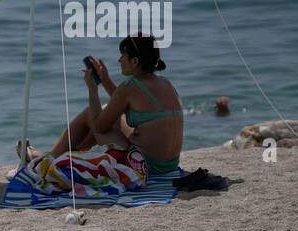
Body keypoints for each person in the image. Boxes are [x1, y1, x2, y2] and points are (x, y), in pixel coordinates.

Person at [18, 34, 183, 177]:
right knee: (105, 110)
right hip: (168, 166)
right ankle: (67, 153)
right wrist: (105, 80)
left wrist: (92, 89)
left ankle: (48, 160)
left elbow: (100, 126)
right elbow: (124, 104)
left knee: (91, 113)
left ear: (134, 61)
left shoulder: (130, 86)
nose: (119, 60)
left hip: (144, 167)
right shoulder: (166, 84)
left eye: (122, 55)